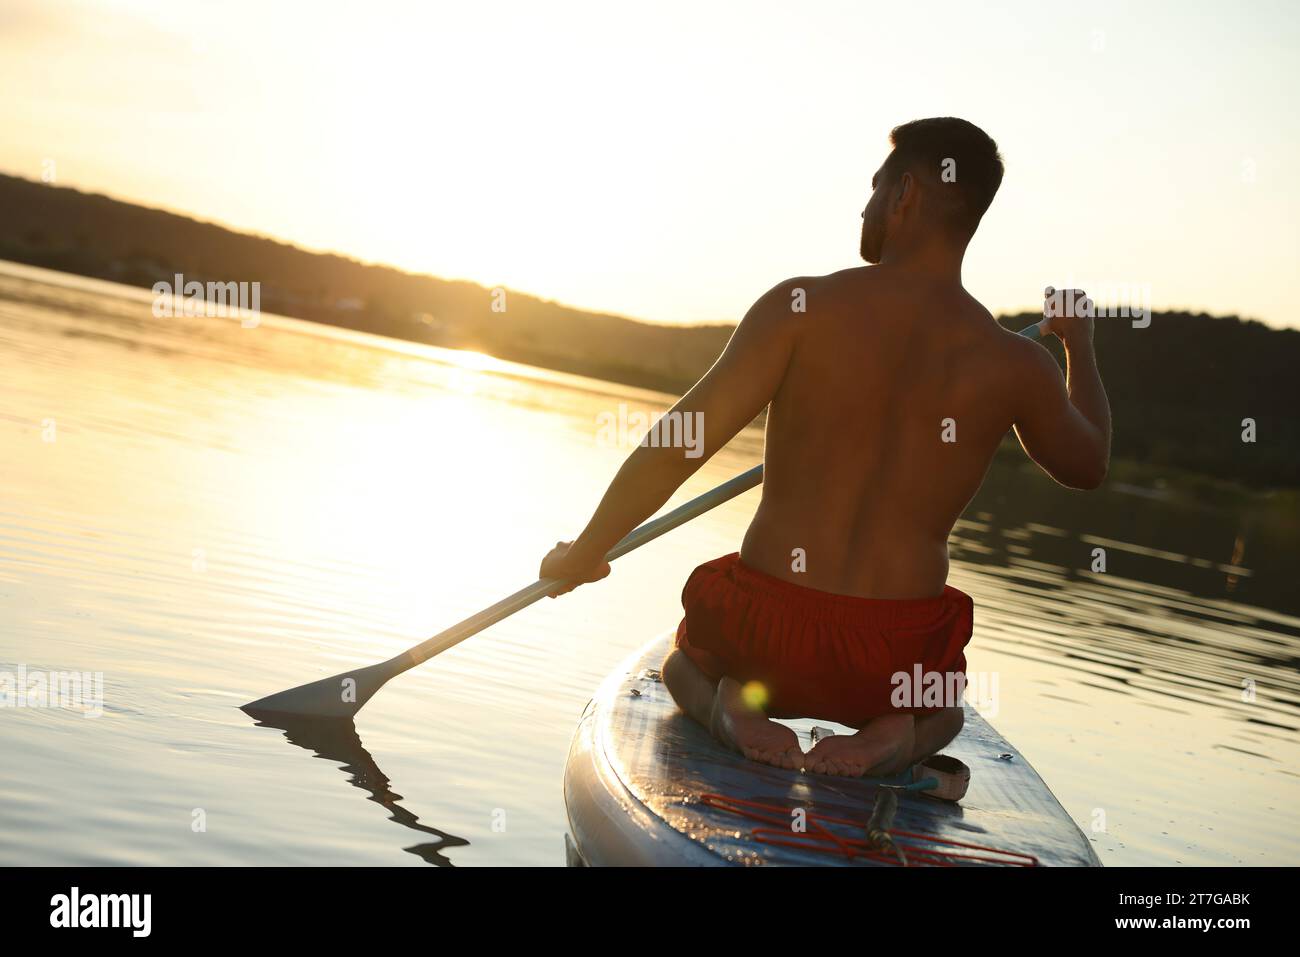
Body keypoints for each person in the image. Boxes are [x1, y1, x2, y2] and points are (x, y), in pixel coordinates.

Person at [540, 117, 1110, 777]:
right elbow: (1089, 464)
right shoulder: (1017, 362)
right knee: (946, 707)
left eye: (874, 189)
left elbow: (679, 445)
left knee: (680, 658)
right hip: (893, 655)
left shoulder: (802, 308)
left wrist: (588, 550)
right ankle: (893, 735)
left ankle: (731, 708)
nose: (865, 206)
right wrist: (1081, 346)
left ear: (904, 198)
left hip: (766, 636)